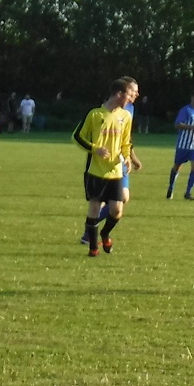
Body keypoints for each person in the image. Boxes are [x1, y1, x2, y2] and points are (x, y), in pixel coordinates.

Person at [73, 77, 141, 256]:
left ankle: (105, 233)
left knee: (117, 210)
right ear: (119, 94)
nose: (130, 99)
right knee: (94, 208)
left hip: (115, 171)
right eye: (128, 95)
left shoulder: (125, 116)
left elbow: (126, 141)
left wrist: (127, 157)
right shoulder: (95, 114)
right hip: (95, 170)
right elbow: (77, 136)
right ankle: (93, 247)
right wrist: (95, 149)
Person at [167, 89, 194, 200]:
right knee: (177, 167)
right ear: (192, 97)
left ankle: (188, 192)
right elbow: (177, 124)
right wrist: (191, 127)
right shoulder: (185, 110)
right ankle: (171, 187)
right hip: (183, 145)